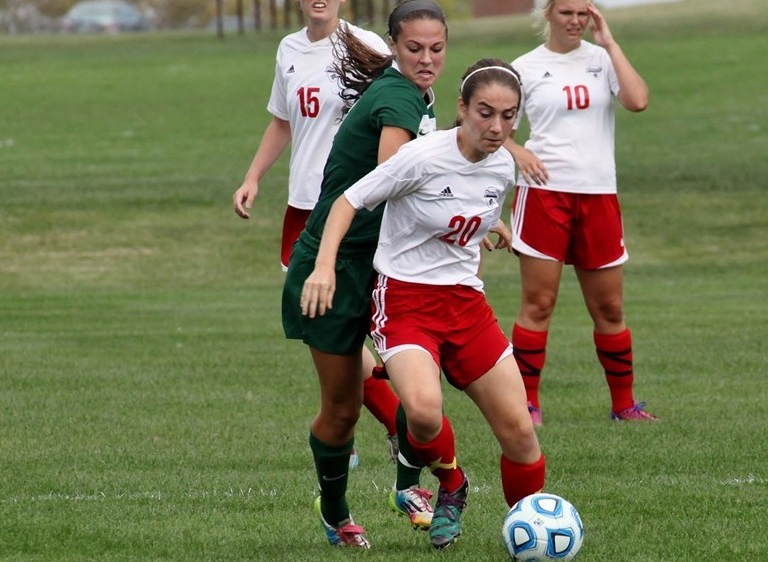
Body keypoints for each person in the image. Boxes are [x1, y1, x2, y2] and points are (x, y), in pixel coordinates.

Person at [301, 58, 546, 551]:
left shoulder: (502, 165)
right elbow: (349, 201)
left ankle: (529, 532)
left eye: (508, 115)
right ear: (462, 108)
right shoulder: (421, 156)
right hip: (406, 300)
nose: (497, 126)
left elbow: (463, 213)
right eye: (485, 113)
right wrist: (324, 267)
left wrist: (489, 227)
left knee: (520, 432)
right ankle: (453, 485)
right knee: (424, 412)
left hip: (466, 306)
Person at [280, 0, 449, 549]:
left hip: (384, 266)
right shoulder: (397, 97)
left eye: (437, 49)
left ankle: (407, 486)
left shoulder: (416, 94)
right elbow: (394, 180)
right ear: (393, 46)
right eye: (414, 48)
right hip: (334, 267)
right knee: (342, 409)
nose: (426, 59)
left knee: (415, 390)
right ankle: (334, 511)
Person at [230, 1, 401, 469]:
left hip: (356, 211)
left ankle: (394, 423)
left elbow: (405, 117)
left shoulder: (366, 47)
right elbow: (283, 121)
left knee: (353, 328)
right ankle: (384, 424)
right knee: (330, 334)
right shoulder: (288, 49)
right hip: (303, 211)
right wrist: (253, 177)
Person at [506, 0, 657, 426]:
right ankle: (527, 405)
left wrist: (609, 43)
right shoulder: (525, 67)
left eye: (582, 13)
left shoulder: (602, 58)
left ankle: (624, 405)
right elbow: (496, 130)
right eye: (566, 12)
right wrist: (518, 151)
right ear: (548, 14)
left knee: (609, 307)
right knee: (539, 303)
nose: (574, 21)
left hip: (598, 195)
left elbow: (638, 100)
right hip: (544, 195)